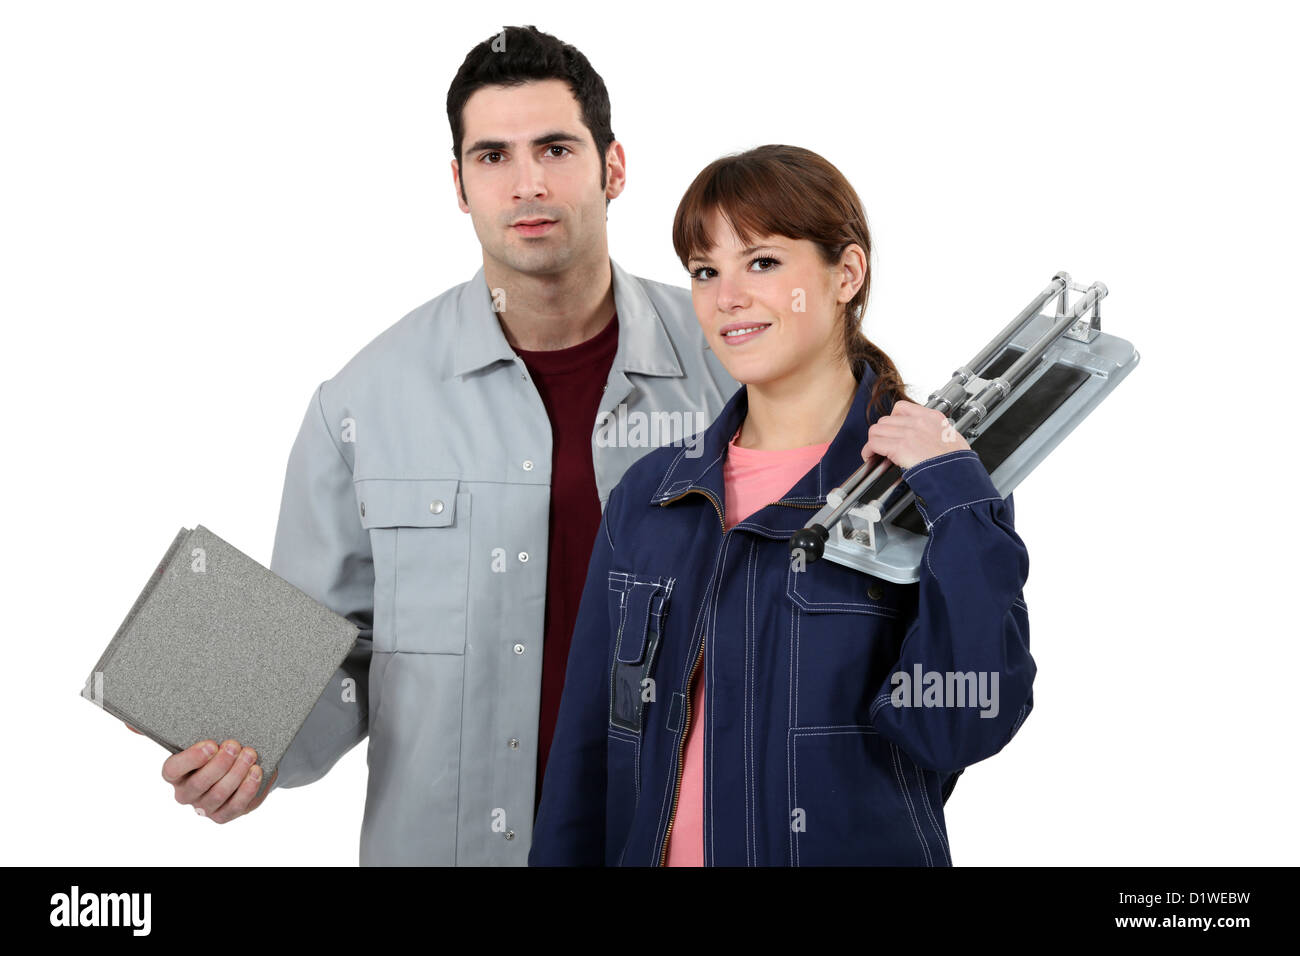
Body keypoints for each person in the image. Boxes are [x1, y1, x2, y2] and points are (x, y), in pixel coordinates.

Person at [137, 24, 740, 865]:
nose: (527, 183)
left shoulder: (732, 366)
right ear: (459, 184)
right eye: (492, 156)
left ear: (614, 167)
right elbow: (336, 658)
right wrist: (250, 746)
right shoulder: (362, 402)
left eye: (556, 149)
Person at [529, 144, 1036, 866]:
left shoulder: (928, 488)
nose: (726, 296)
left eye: (762, 261)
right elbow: (584, 760)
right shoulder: (652, 497)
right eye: (705, 272)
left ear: (846, 274)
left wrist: (959, 500)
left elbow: (959, 724)